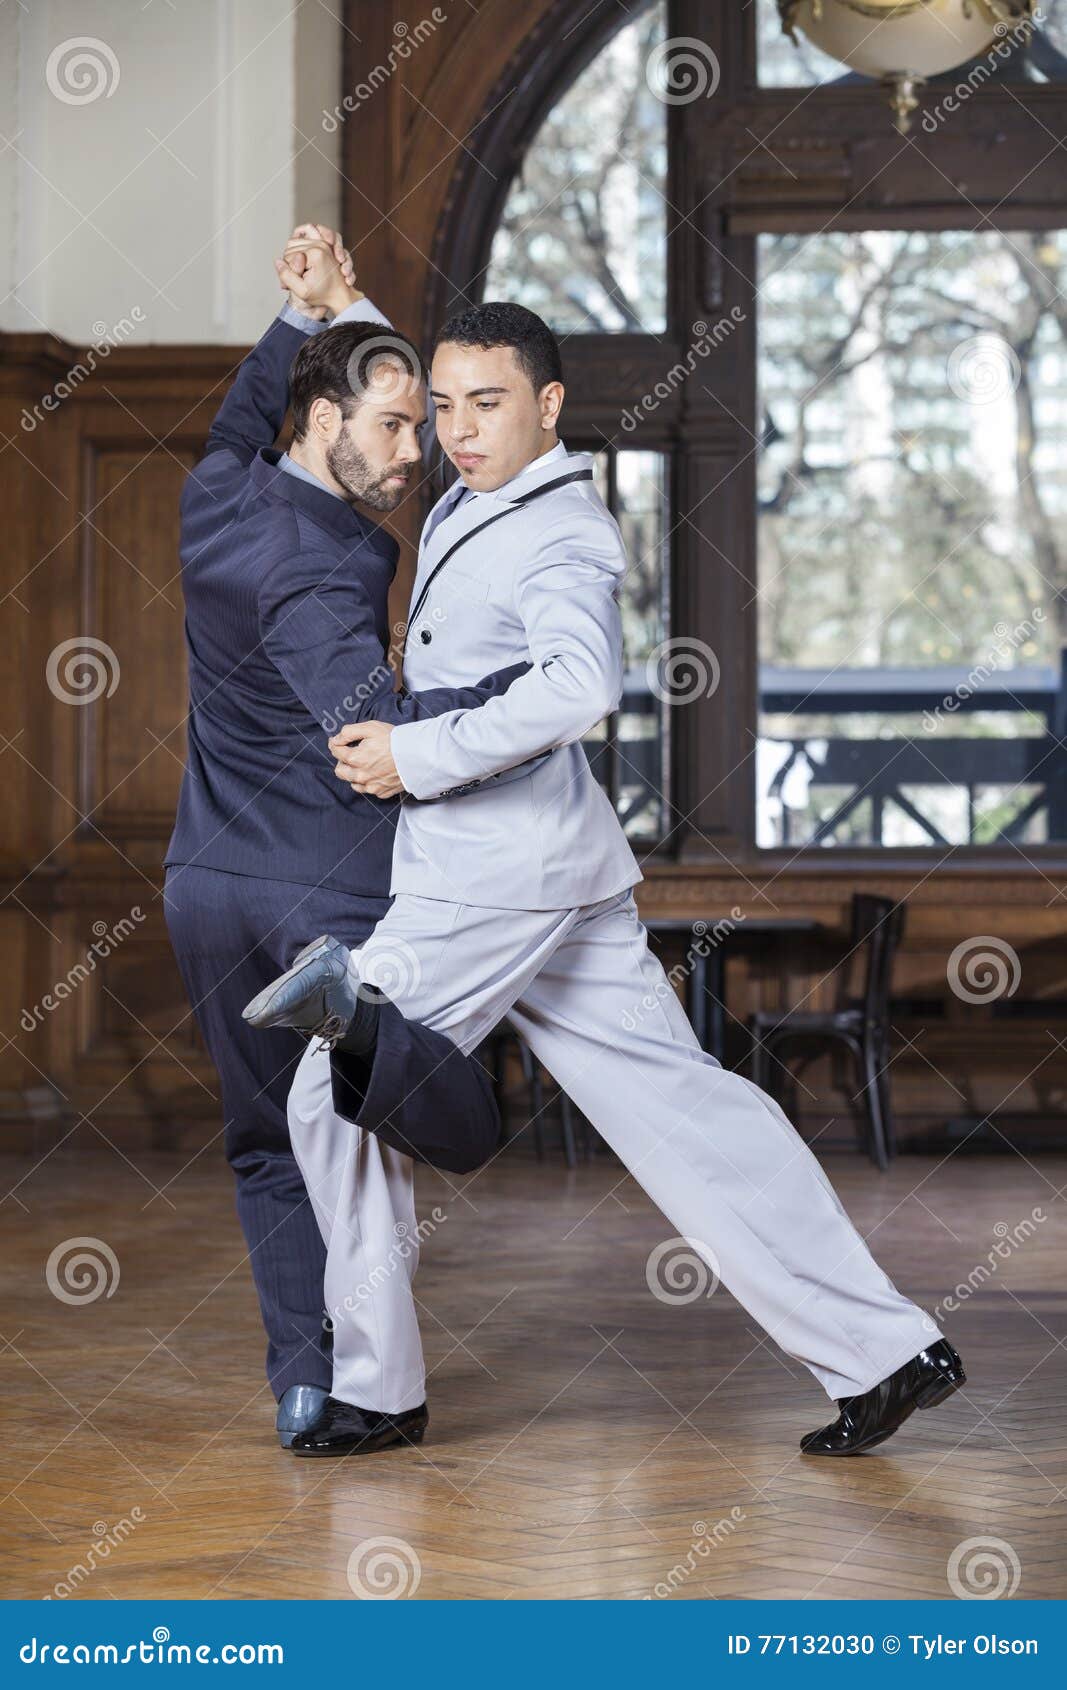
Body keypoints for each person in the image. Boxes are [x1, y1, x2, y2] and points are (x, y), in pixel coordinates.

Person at [249, 269, 966, 1460]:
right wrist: (344, 304)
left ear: (549, 407)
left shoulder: (561, 528)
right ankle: (886, 1352)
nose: (456, 430)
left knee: (330, 1091)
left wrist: (413, 755)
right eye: (442, 406)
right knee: (690, 1113)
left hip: (494, 879)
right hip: (554, 875)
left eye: (487, 404)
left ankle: (376, 1389)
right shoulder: (479, 493)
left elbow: (579, 685)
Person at [164, 226, 528, 1450]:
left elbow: (243, 411)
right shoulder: (317, 570)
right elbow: (372, 729)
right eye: (394, 426)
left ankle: (305, 1380)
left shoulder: (216, 492)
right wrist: (520, 698)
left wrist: (317, 310)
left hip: (204, 881)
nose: (415, 451)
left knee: (268, 1140)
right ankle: (381, 1056)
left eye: (421, 427)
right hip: (322, 883)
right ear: (323, 421)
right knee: (410, 1126)